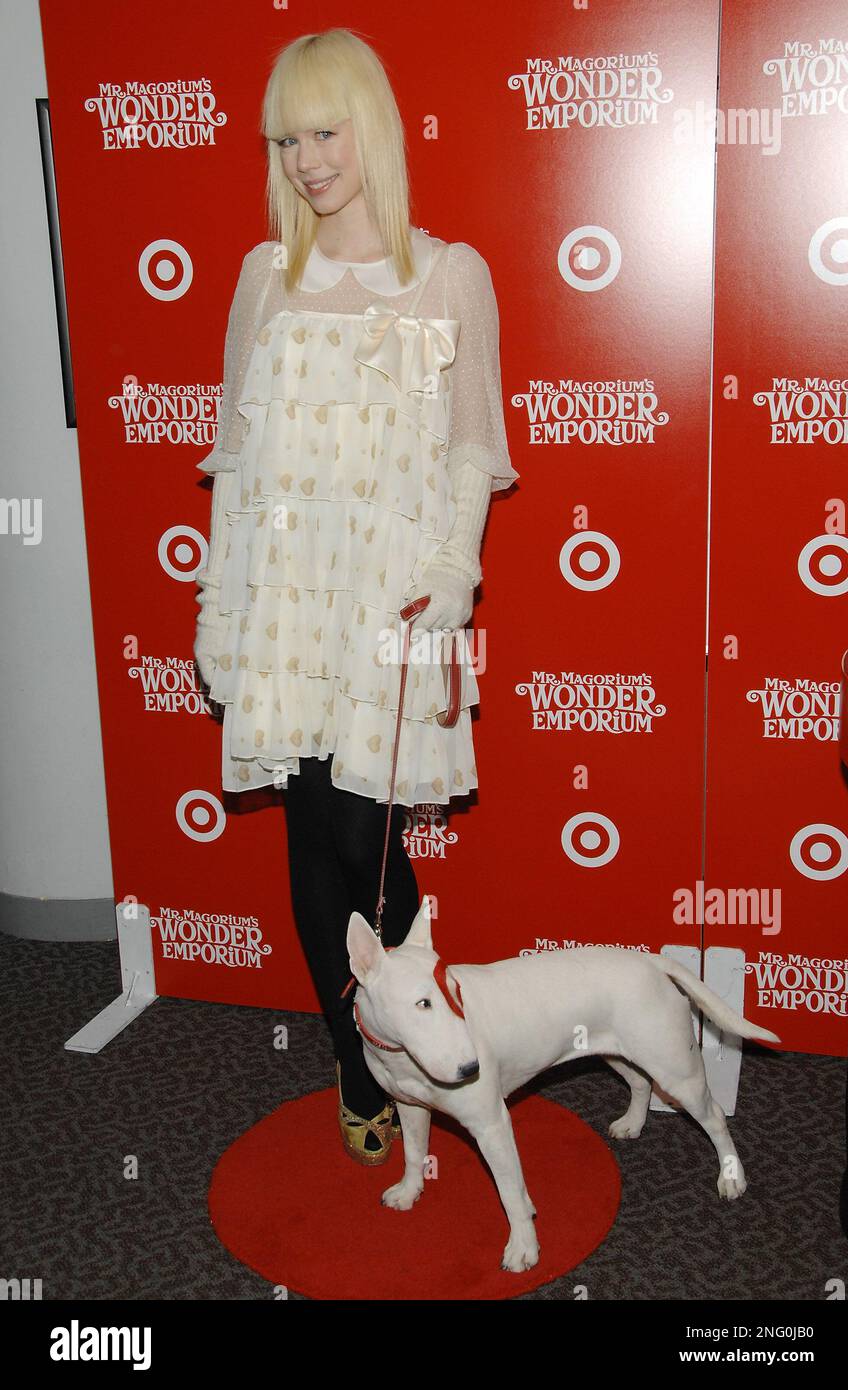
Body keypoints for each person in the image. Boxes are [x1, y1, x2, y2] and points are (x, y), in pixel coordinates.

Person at [193, 28, 518, 1163]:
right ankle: (356, 1057)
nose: (308, 160)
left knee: (358, 826)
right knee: (311, 833)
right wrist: (219, 605)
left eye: (325, 132)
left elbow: (472, 446)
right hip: (287, 595)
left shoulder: (448, 275)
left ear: (370, 128)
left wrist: (454, 570)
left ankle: (409, 1034)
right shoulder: (263, 279)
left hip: (390, 601)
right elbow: (237, 461)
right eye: (286, 141)